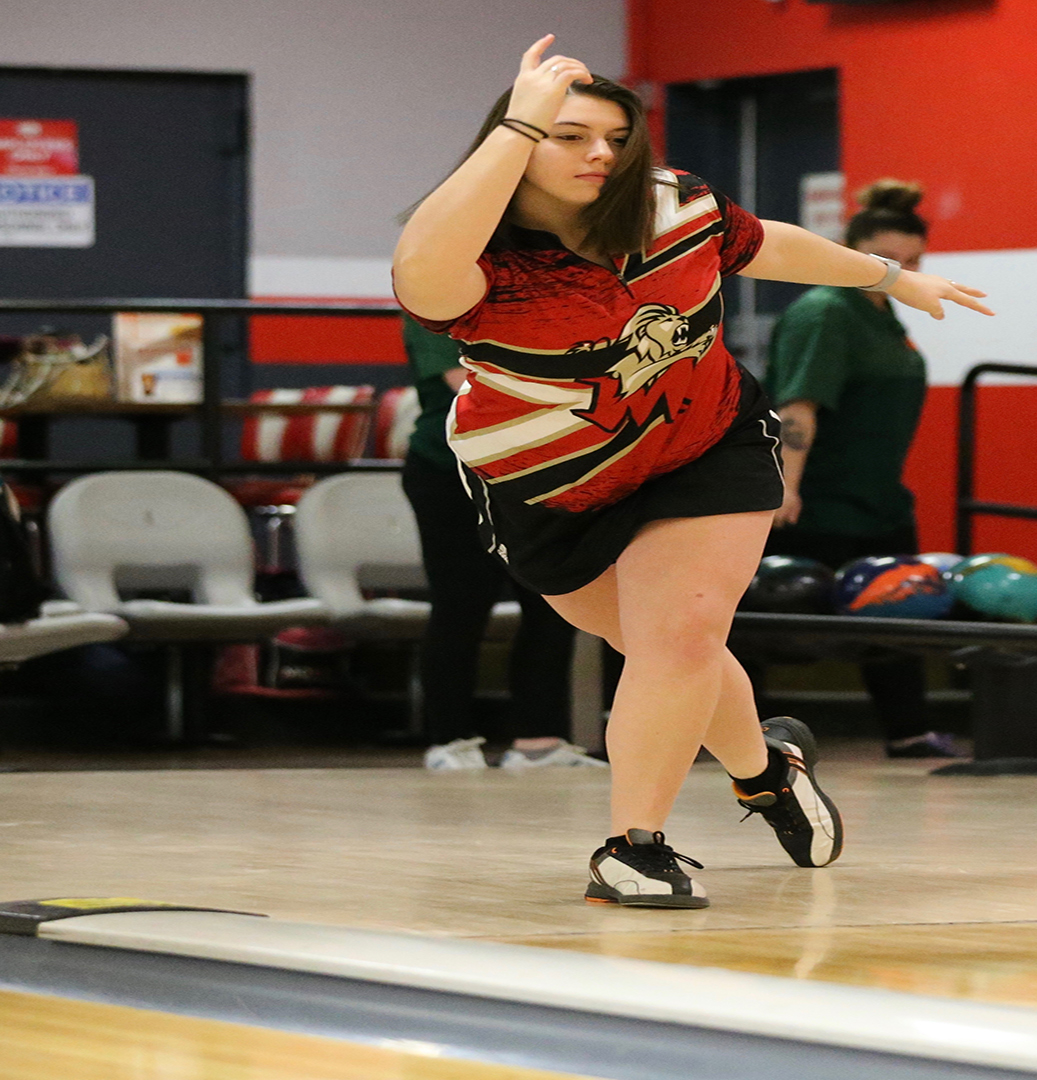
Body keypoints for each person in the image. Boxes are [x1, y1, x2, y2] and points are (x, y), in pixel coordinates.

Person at [390, 36, 991, 909]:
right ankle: (766, 769)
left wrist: (888, 275)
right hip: (546, 485)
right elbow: (418, 267)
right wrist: (521, 119)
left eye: (615, 137)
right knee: (662, 648)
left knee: (681, 635)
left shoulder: (677, 207)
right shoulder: (481, 262)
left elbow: (764, 245)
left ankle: (634, 847)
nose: (601, 153)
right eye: (571, 135)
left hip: (703, 443)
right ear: (515, 140)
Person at [760, 180, 956, 758]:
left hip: (878, 497)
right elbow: (799, 407)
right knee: (771, 618)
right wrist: (786, 488)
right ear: (852, 253)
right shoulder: (826, 311)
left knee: (898, 610)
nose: (905, 271)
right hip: (818, 497)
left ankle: (910, 730)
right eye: (890, 261)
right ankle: (740, 741)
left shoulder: (886, 313)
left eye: (914, 262)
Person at [398, 315, 600, 772]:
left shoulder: (534, 297)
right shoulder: (434, 306)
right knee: (462, 601)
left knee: (551, 601)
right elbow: (469, 387)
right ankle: (450, 739)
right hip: (450, 472)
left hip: (537, 469)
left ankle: (538, 741)